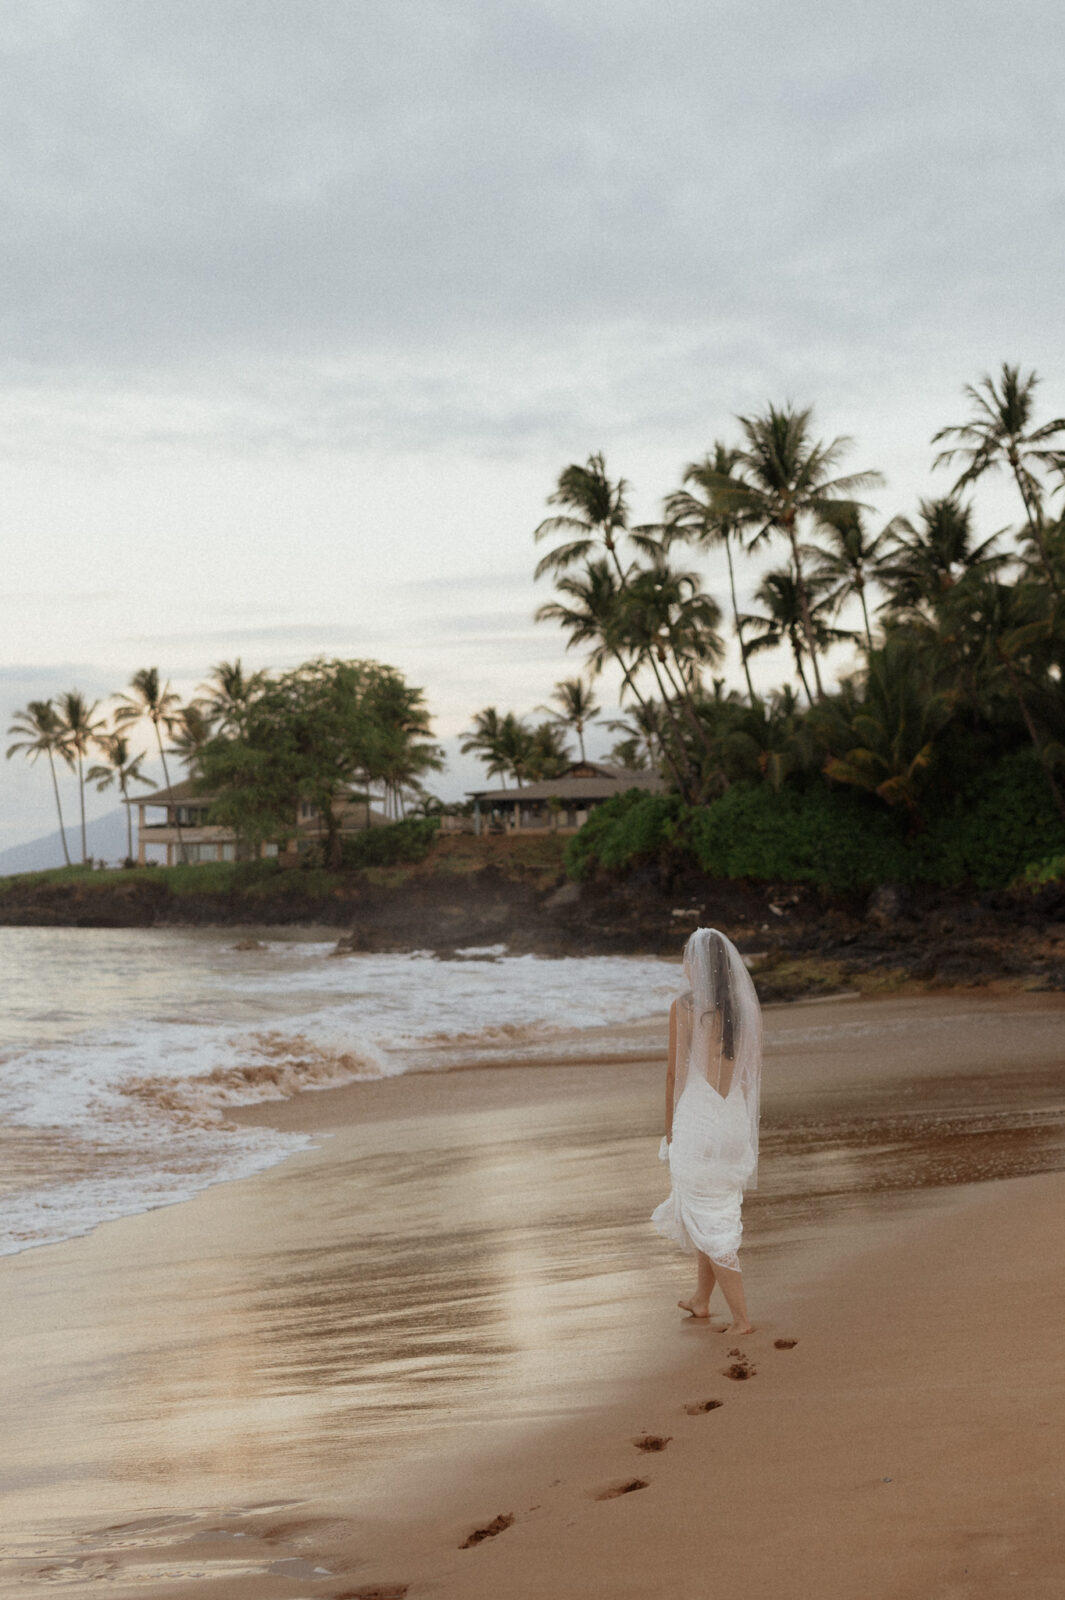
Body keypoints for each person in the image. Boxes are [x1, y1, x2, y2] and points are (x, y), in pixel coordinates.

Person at [651, 927, 762, 1334]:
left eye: (687, 956)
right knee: (709, 1210)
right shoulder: (743, 1008)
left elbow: (673, 1074)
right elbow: (747, 1077)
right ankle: (701, 1299)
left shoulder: (684, 1007)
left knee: (711, 1220)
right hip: (733, 1119)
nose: (683, 964)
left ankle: (742, 1319)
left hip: (699, 1122)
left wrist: (670, 1130)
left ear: (700, 964)